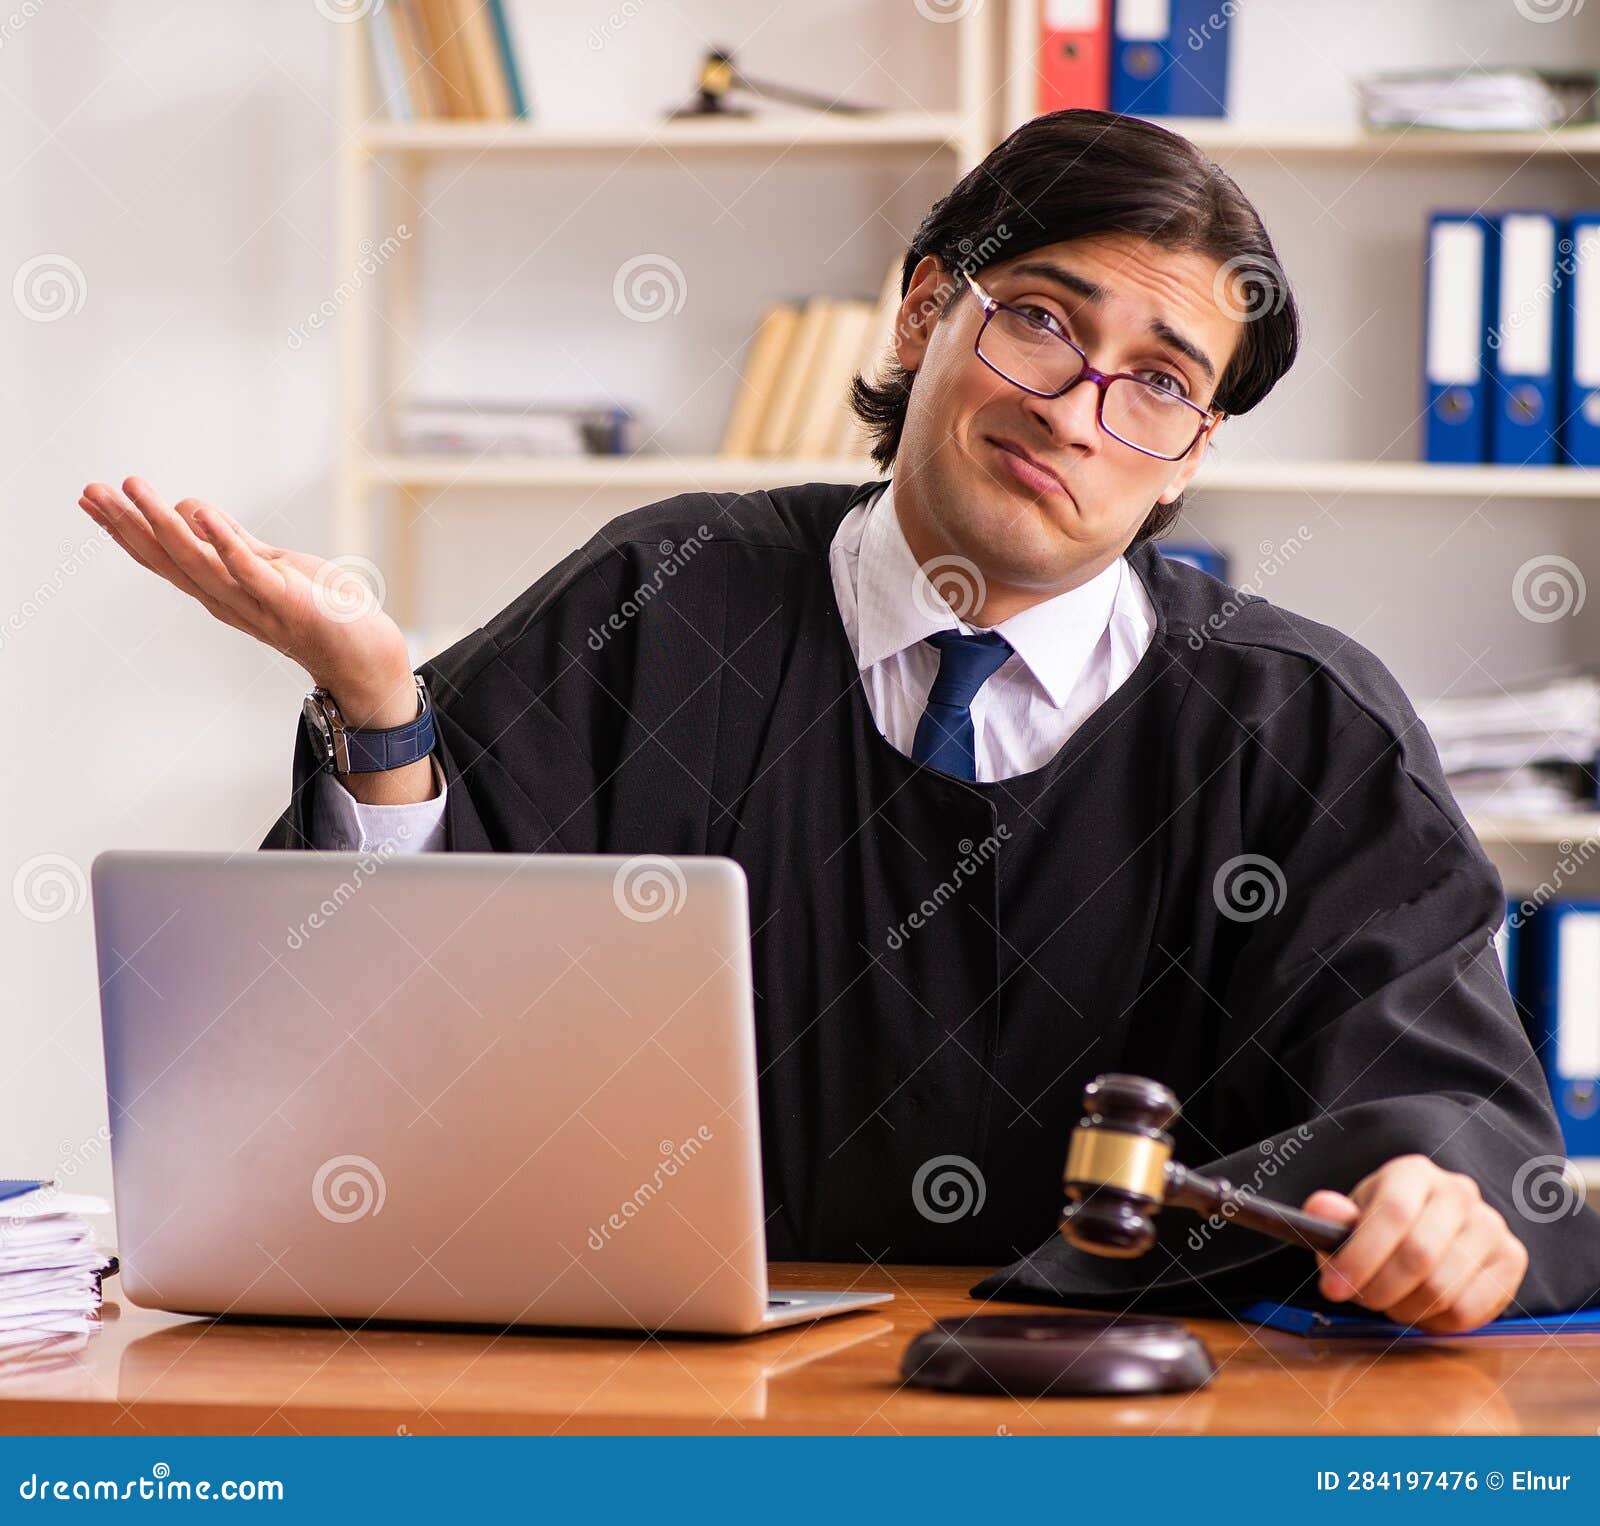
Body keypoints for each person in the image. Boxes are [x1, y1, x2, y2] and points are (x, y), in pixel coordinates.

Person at [79, 109, 1600, 1331]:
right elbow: (370, 1027)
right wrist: (376, 708)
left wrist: (1440, 1202)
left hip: (1124, 1430)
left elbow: (1448, 1096)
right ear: (924, 311)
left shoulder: (1300, 727)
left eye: (1155, 384)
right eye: (1039, 324)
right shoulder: (661, 599)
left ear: (1191, 453)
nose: (1076, 409)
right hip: (655, 1410)